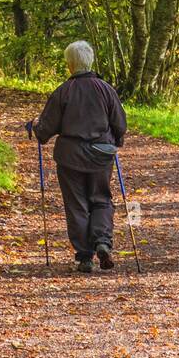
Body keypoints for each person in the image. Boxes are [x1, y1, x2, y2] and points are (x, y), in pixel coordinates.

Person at [32, 41, 127, 273]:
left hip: (70, 157)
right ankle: (102, 242)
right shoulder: (106, 90)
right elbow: (120, 124)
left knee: (76, 204)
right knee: (101, 199)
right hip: (101, 155)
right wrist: (115, 143)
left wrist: (36, 128)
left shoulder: (63, 91)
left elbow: (45, 129)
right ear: (90, 61)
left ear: (70, 64)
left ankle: (85, 256)